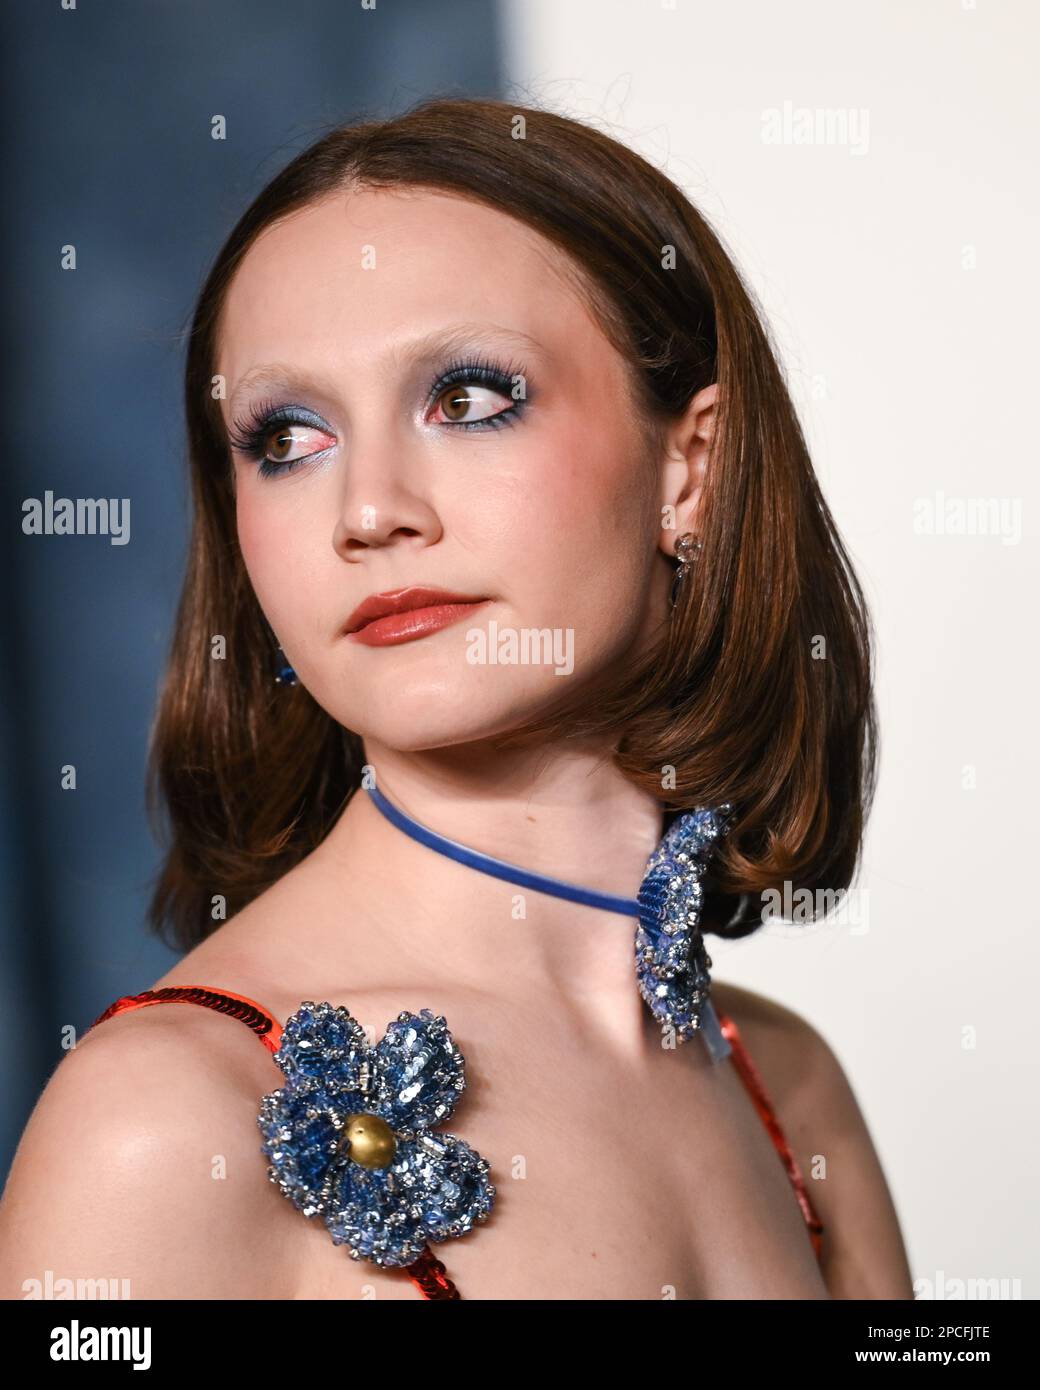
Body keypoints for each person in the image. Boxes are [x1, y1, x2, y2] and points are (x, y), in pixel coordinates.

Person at [0, 97, 913, 1301]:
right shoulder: (163, 1125)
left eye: (470, 399)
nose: (369, 508)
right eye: (286, 438)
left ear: (688, 468)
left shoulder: (785, 1083)